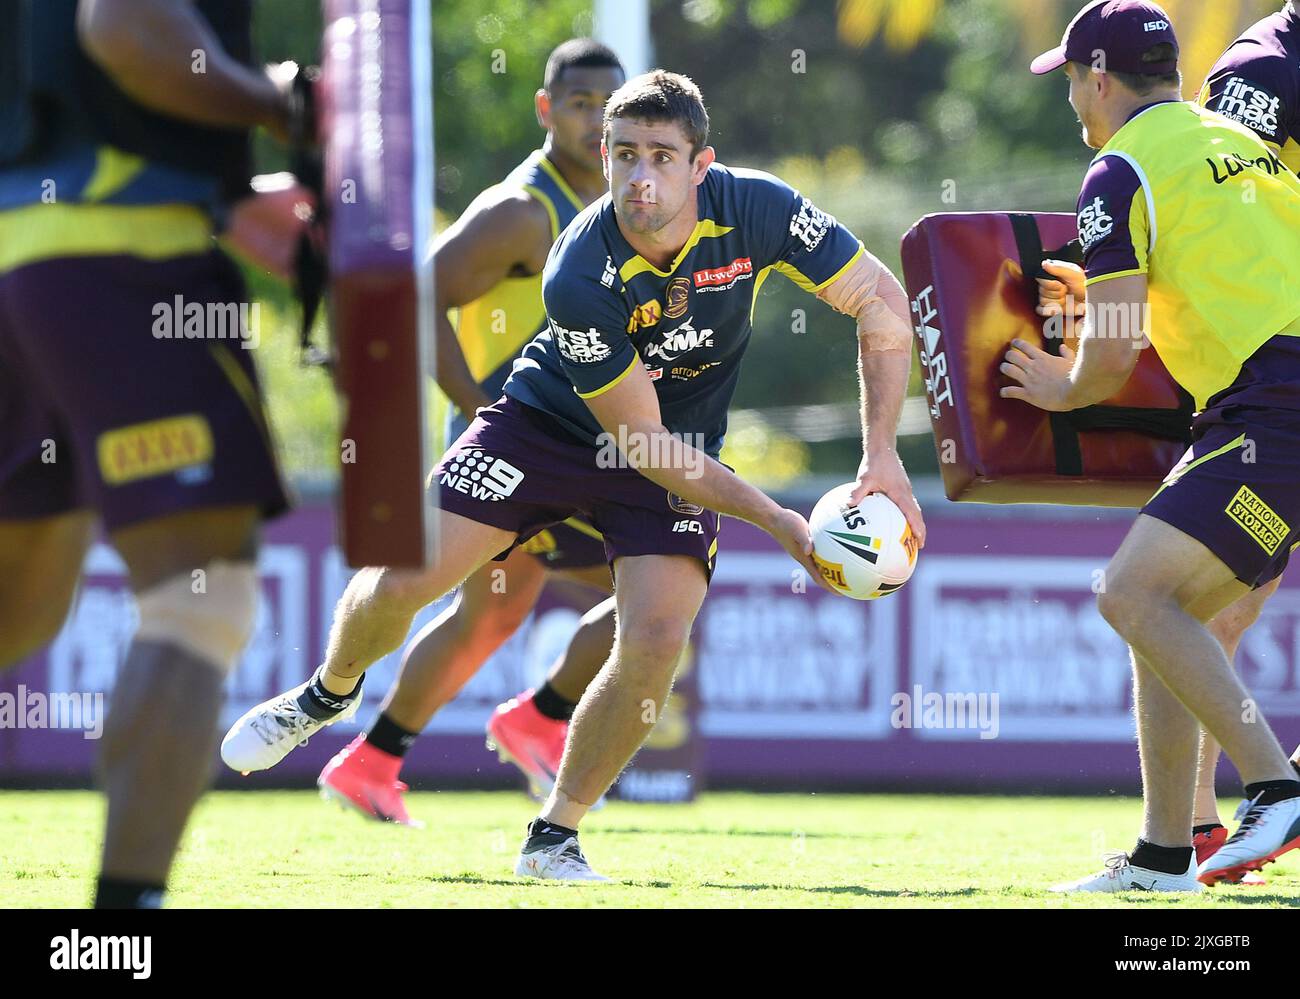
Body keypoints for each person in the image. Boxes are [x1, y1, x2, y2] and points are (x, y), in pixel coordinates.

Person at [222, 69, 925, 881]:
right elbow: (643, 444)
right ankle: (327, 692)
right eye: (624, 155)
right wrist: (783, 522)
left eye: (663, 156)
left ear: (704, 167)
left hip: (677, 441)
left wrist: (881, 453)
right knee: (402, 581)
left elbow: (881, 300)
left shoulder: (760, 208)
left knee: (657, 636)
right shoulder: (579, 266)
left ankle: (554, 834)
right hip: (547, 428)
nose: (640, 176)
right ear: (605, 156)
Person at [0, 0, 294, 908]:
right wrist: (276, 105)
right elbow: (123, 27)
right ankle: (119, 932)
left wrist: (228, 193)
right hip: (117, 259)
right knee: (198, 599)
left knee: (19, 604)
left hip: (22, 259)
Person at [1009, 0, 1300, 892]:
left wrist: (1051, 385)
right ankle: (1167, 855)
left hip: (1274, 406)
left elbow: (1112, 356)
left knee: (1131, 591)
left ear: (1097, 77)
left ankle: (1277, 785)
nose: (1072, 96)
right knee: (1167, 615)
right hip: (1266, 407)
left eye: (1071, 78)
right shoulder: (1235, 138)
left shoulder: (1118, 170)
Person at [315, 39, 626, 827]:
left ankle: (375, 759)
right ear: (546, 109)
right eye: (580, 103)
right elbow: (417, 294)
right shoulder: (525, 211)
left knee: (486, 615)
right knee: (659, 591)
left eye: (608, 104)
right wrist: (484, 404)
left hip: (567, 447)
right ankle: (541, 716)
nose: (595, 120)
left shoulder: (622, 200)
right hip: (523, 449)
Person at [1182, 0, 1300, 878]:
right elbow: (1226, 221)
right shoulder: (1260, 72)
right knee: (1212, 598)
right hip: (1274, 377)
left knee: (1203, 599)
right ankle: (1197, 830)